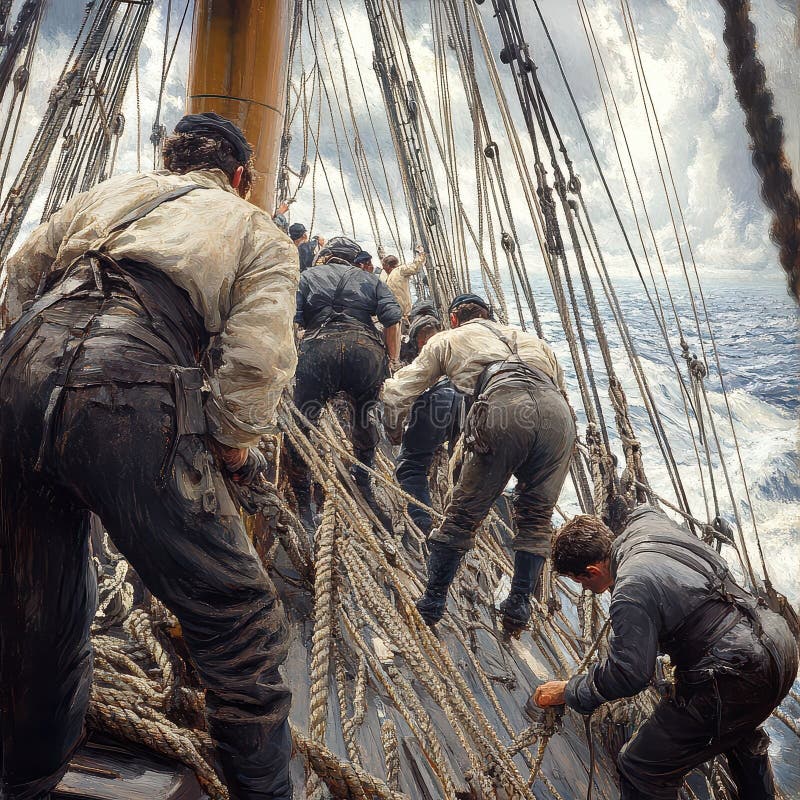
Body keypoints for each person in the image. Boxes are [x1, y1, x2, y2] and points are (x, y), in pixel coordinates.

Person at [0, 112, 298, 800]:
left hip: (18, 367)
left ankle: (24, 785)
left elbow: (19, 273)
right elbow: (255, 361)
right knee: (238, 621)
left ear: (168, 164)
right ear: (242, 178)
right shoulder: (257, 230)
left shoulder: (108, 194)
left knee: (33, 607)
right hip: (126, 390)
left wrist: (39, 361)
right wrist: (227, 447)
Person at [533, 509, 798, 800]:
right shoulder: (647, 522)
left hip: (737, 673)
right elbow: (641, 509)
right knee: (740, 731)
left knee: (640, 767)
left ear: (593, 571)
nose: (587, 590)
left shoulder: (629, 591)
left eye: (581, 582)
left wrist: (570, 691)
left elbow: (628, 675)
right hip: (777, 644)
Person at [383, 293, 575, 634]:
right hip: (557, 415)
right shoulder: (533, 340)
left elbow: (402, 390)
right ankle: (517, 608)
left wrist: (394, 427)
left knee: (462, 516)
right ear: (491, 315)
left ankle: (432, 603)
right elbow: (560, 392)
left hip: (505, 406)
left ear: (454, 318)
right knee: (536, 519)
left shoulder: (449, 338)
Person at [291, 236, 401, 527]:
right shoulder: (369, 279)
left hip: (318, 351)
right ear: (353, 261)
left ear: (325, 257)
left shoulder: (307, 276)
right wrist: (391, 361)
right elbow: (393, 319)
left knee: (301, 423)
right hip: (363, 352)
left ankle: (304, 506)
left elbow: (292, 318)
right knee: (364, 418)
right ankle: (363, 482)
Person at [392, 314, 465, 535]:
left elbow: (398, 393)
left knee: (412, 466)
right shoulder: (459, 345)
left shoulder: (430, 351)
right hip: (468, 401)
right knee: (463, 468)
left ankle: (423, 527)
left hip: (441, 401)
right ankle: (458, 529)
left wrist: (395, 431)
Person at [381, 245, 426, 319]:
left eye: (384, 265)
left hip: (404, 312)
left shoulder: (400, 270)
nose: (383, 267)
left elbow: (415, 267)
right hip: (394, 313)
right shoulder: (387, 276)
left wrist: (421, 254)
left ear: (388, 265)